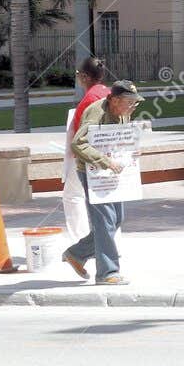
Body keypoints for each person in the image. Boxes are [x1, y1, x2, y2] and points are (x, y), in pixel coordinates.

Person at [62, 80, 142, 285]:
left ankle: (76, 254)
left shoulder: (122, 113)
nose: (133, 107)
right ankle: (107, 273)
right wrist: (105, 161)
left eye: (135, 103)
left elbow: (118, 140)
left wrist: (130, 151)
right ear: (114, 100)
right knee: (105, 220)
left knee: (115, 219)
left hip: (111, 173)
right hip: (92, 173)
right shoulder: (95, 114)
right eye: (130, 102)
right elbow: (78, 144)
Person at [60, 56, 111, 244]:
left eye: (78, 75)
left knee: (73, 197)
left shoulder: (88, 100)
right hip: (108, 154)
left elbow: (81, 133)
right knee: (107, 199)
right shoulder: (109, 93)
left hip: (86, 156)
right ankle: (111, 242)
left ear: (84, 76)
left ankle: (81, 240)